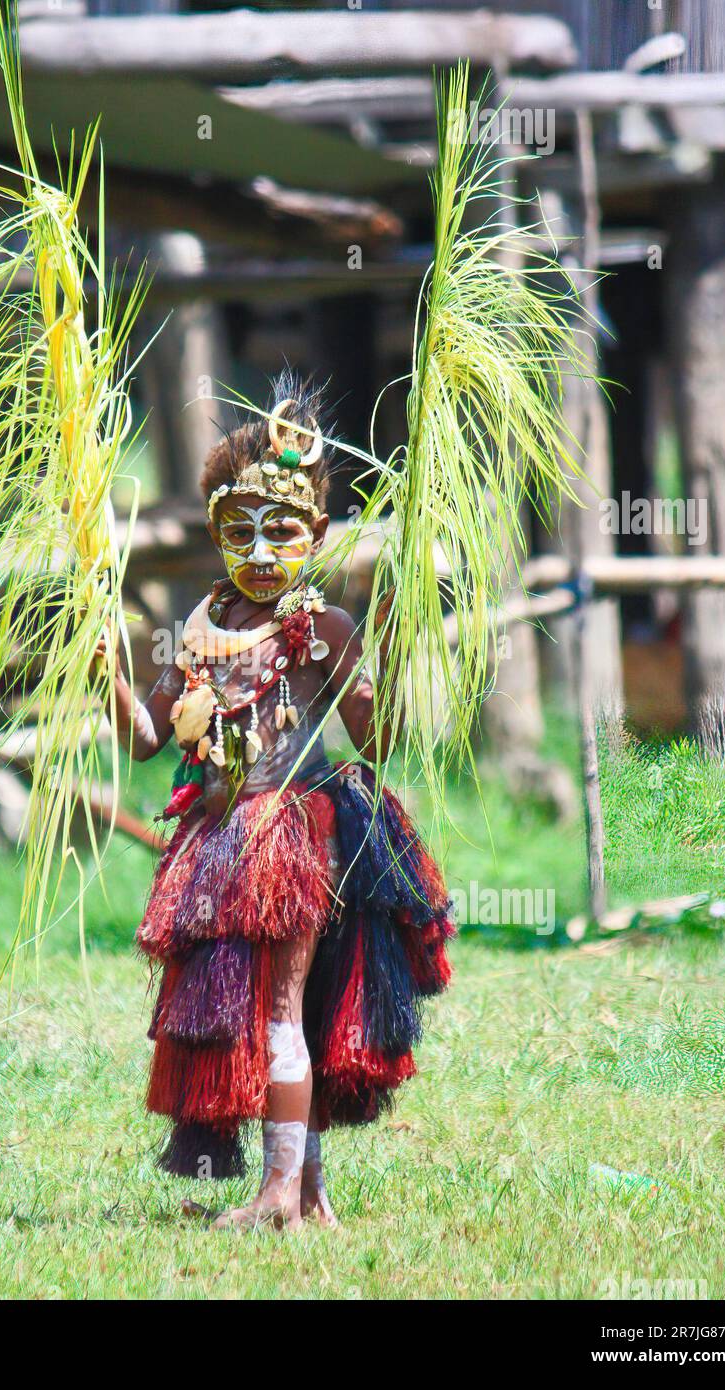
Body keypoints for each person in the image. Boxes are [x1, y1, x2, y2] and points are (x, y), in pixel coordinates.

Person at [97, 373, 454, 1230]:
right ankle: (306, 1190)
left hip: (295, 833)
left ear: (318, 533)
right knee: (267, 1013)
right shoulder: (199, 624)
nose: (259, 550)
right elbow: (146, 740)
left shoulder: (320, 627)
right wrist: (99, 662)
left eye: (281, 530)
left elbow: (374, 738)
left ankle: (279, 1195)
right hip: (221, 839)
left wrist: (391, 652)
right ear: (215, 532)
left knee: (282, 1012)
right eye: (238, 530)